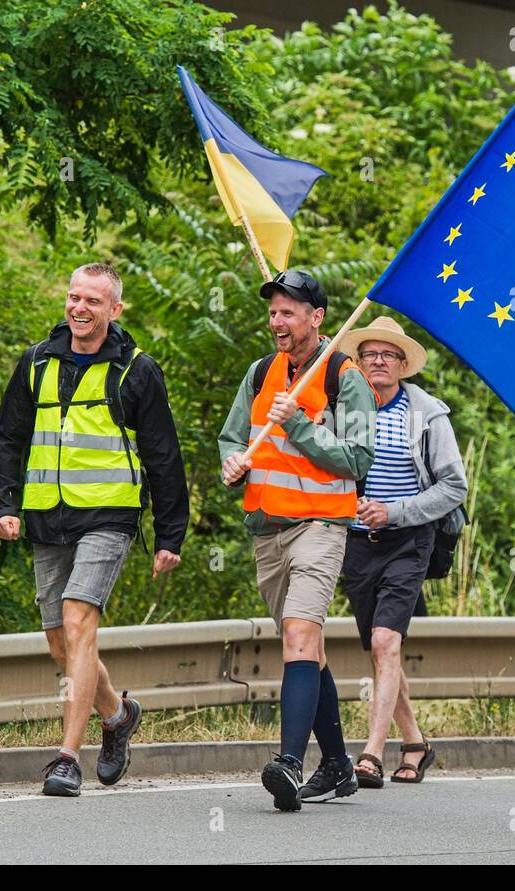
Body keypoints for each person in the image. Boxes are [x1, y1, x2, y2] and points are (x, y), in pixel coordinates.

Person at [0, 262, 189, 796]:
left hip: (108, 515)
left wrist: (171, 536)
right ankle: (118, 716)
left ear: (114, 310)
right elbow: (7, 439)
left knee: (79, 622)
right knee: (60, 640)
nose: (80, 308)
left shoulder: (136, 370)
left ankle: (66, 759)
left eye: (93, 301)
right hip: (45, 515)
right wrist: (3, 506)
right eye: (74, 297)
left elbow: (164, 457)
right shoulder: (36, 362)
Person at [217, 269, 377, 811]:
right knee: (309, 647)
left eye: (288, 312)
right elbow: (232, 437)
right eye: (272, 312)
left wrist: (299, 426)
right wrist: (231, 464)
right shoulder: (261, 371)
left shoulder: (343, 375)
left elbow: (358, 458)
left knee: (299, 637)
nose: (276, 322)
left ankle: (289, 762)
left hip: (321, 525)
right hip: (268, 529)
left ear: (317, 317)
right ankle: (337, 764)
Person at [336, 316, 468, 788]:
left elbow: (455, 485)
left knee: (385, 643)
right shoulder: (342, 409)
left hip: (410, 541)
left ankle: (371, 753)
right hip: (355, 543)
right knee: (380, 648)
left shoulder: (427, 413)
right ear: (358, 360)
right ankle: (415, 742)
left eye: (388, 355)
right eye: (369, 353)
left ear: (403, 364)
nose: (378, 361)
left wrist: (395, 512)